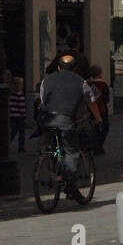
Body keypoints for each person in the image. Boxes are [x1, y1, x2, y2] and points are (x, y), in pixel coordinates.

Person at [39, 54, 102, 198]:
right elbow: (91, 102)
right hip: (65, 120)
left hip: (46, 120)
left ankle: (48, 160)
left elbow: (43, 100)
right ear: (74, 69)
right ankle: (67, 180)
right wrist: (98, 118)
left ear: (59, 67)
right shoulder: (81, 82)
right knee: (71, 150)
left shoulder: (46, 81)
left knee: (52, 142)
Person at [87, 65, 111, 154]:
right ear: (99, 74)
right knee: (105, 127)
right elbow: (106, 99)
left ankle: (95, 145)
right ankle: (99, 146)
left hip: (90, 110)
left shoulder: (87, 84)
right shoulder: (103, 84)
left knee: (95, 129)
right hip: (102, 109)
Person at [8, 76, 28, 153]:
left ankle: (7, 143)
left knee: (13, 131)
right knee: (21, 132)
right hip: (20, 117)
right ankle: (21, 147)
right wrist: (24, 116)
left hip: (13, 116)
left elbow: (10, 105)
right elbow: (21, 107)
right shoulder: (20, 95)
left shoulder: (11, 94)